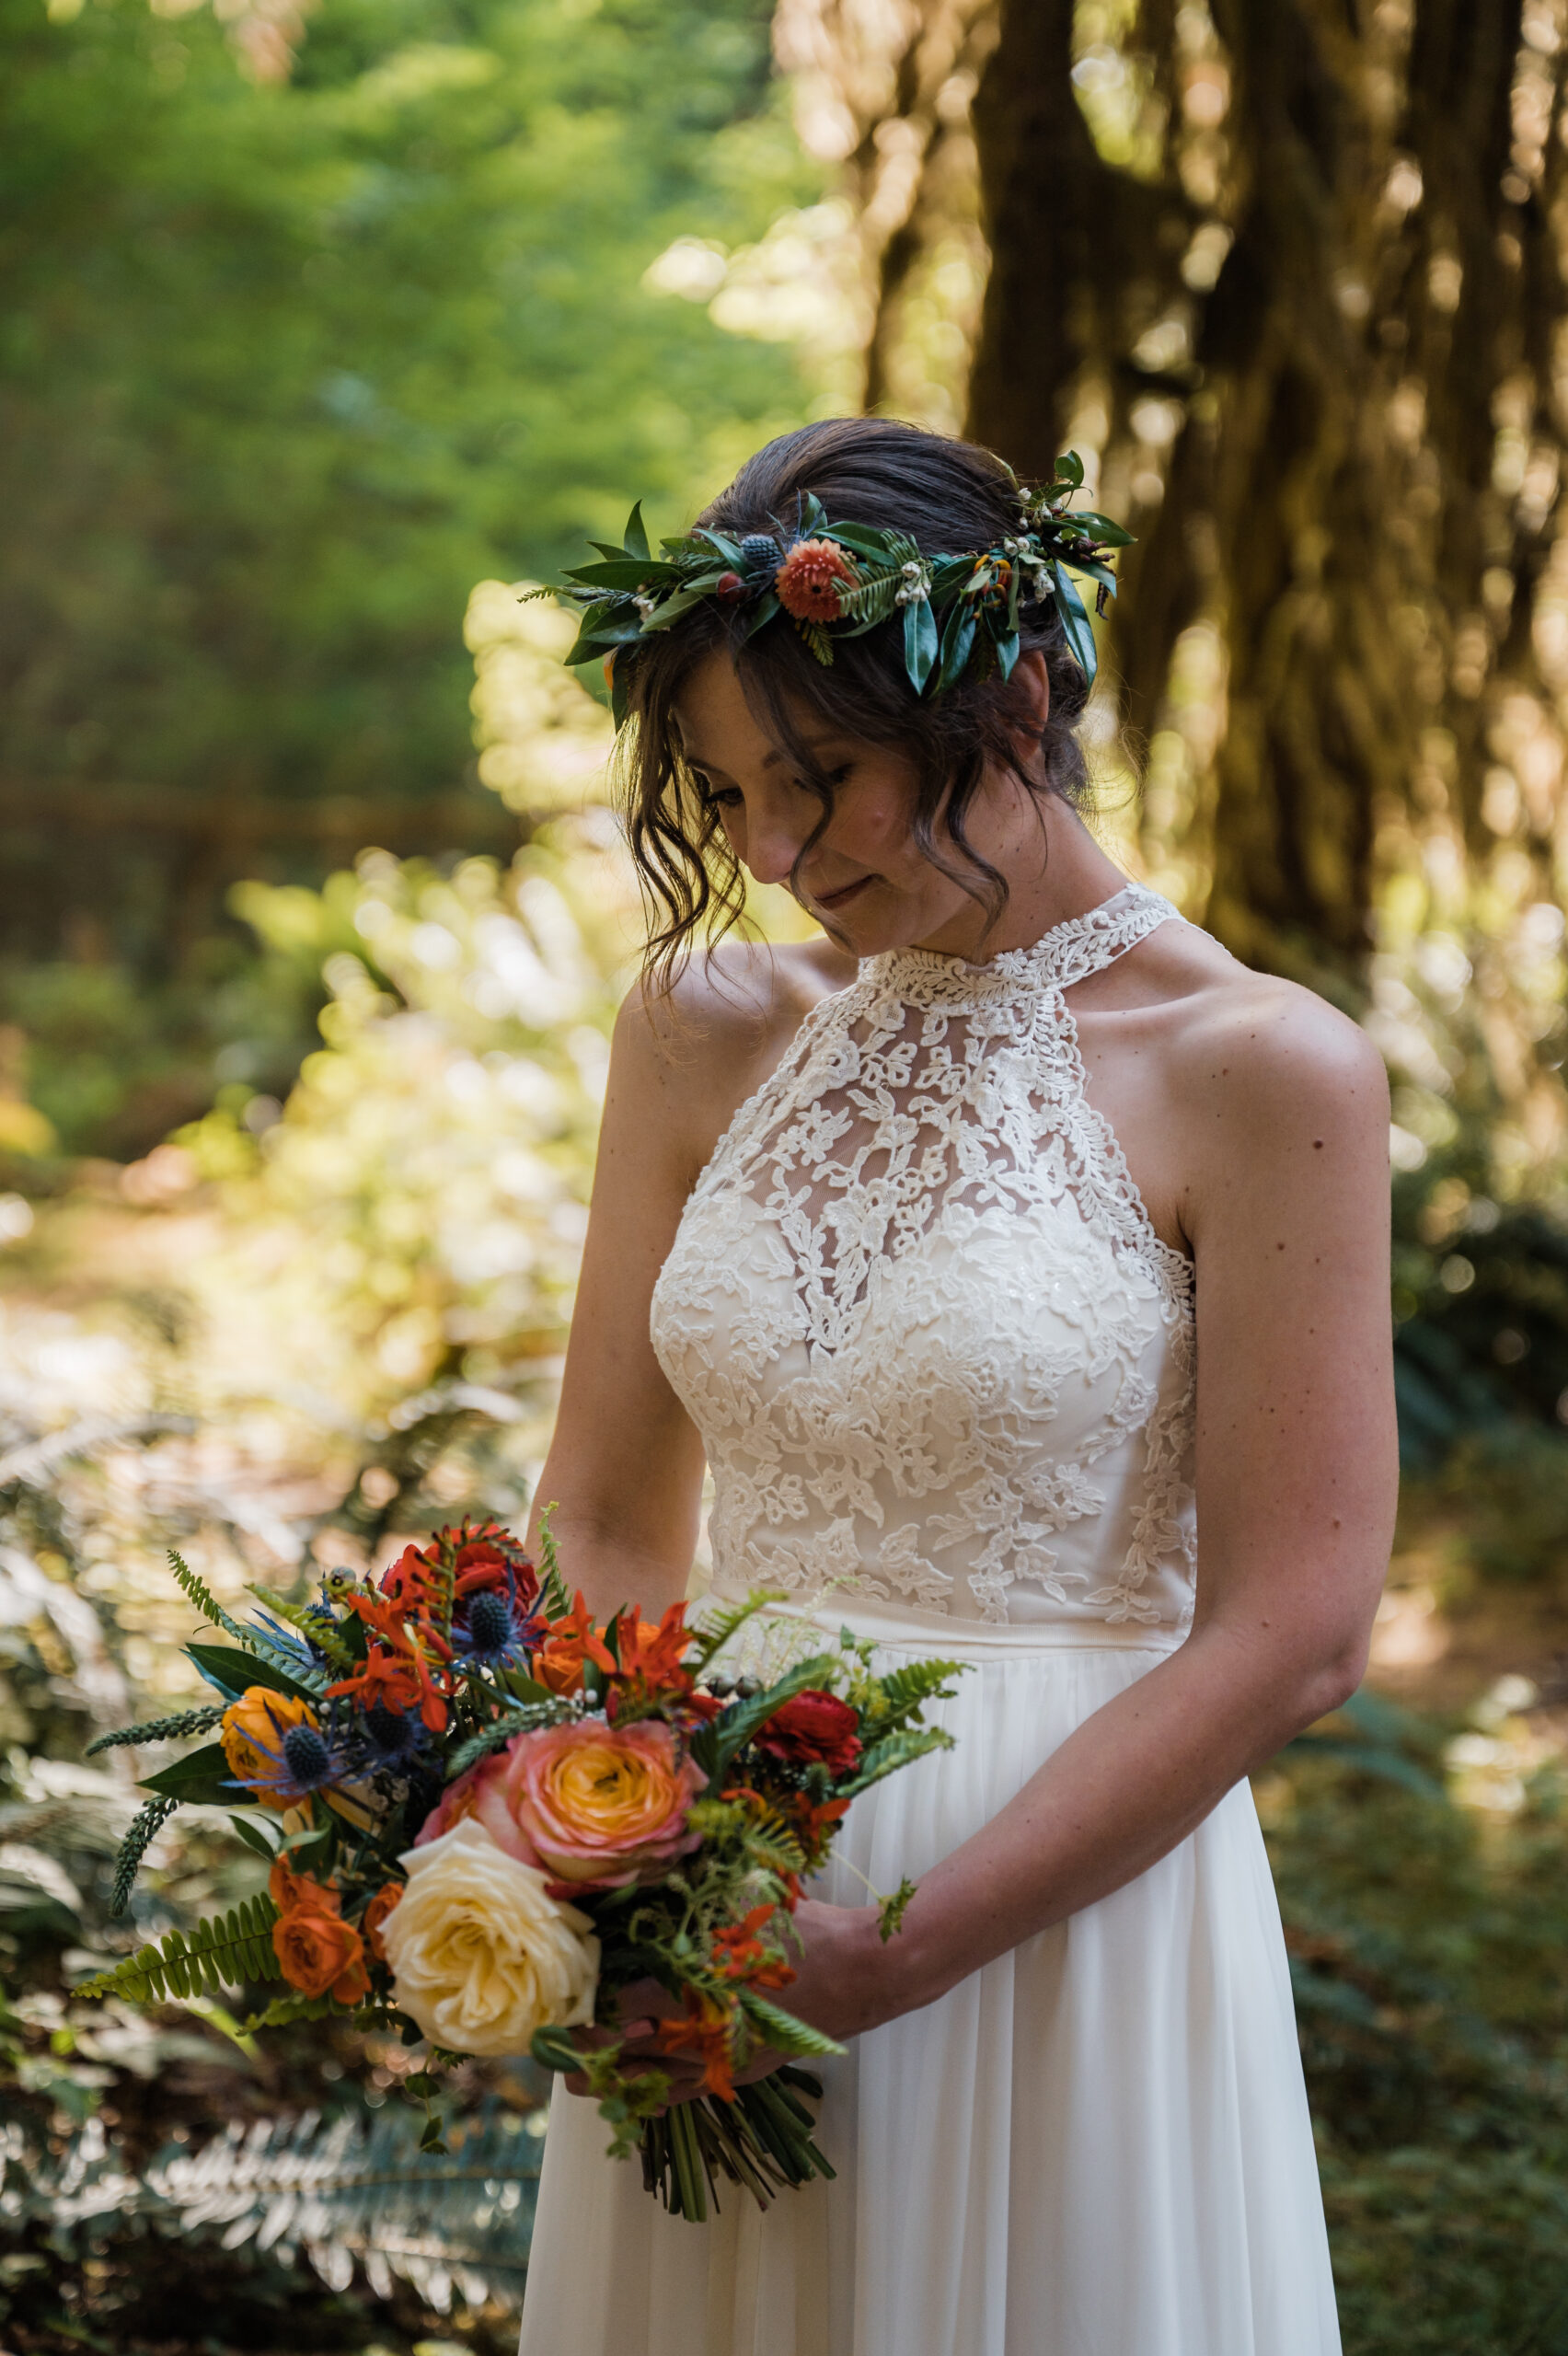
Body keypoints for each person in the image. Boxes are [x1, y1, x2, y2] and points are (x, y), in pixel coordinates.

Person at [515, 416, 1396, 2356]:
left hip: (1055, 1924)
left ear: (1008, 693)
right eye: (734, 791)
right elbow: (599, 1504)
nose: (770, 849)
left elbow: (1298, 1627)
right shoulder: (706, 1028)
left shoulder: (1263, 1068)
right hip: (703, 1897)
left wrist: (903, 1949)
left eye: (817, 777)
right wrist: (615, 1836)